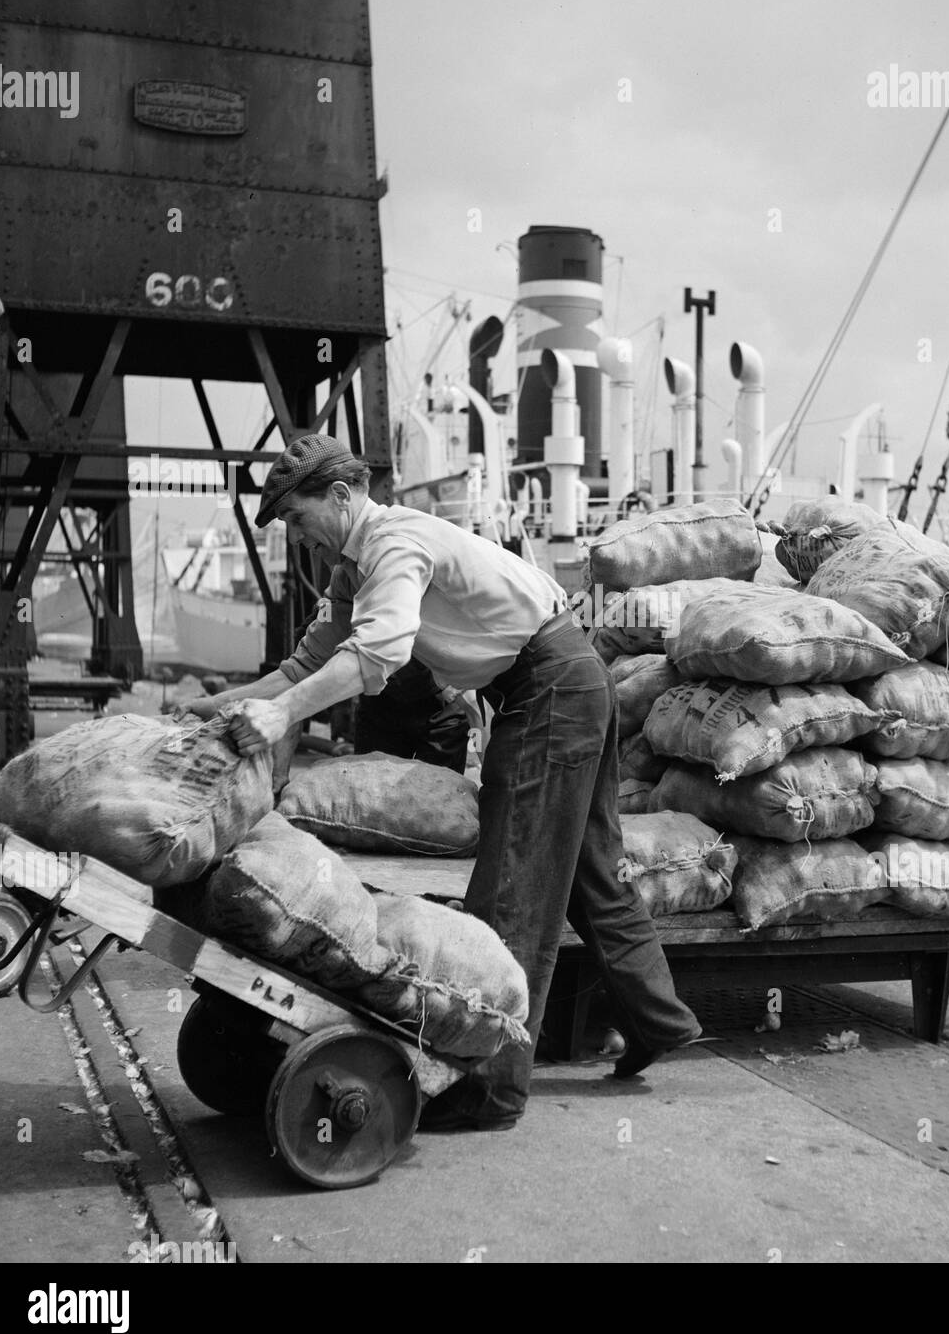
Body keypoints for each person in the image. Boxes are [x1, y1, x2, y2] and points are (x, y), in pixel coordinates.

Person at [186, 434, 701, 1131]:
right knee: (587, 873)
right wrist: (211, 709)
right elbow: (306, 666)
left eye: (299, 520)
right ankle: (659, 1020)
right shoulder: (354, 567)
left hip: (548, 691)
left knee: (512, 891)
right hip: (563, 683)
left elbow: (377, 655)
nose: (298, 540)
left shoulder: (395, 545)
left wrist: (280, 718)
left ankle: (490, 1088)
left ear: (340, 495)